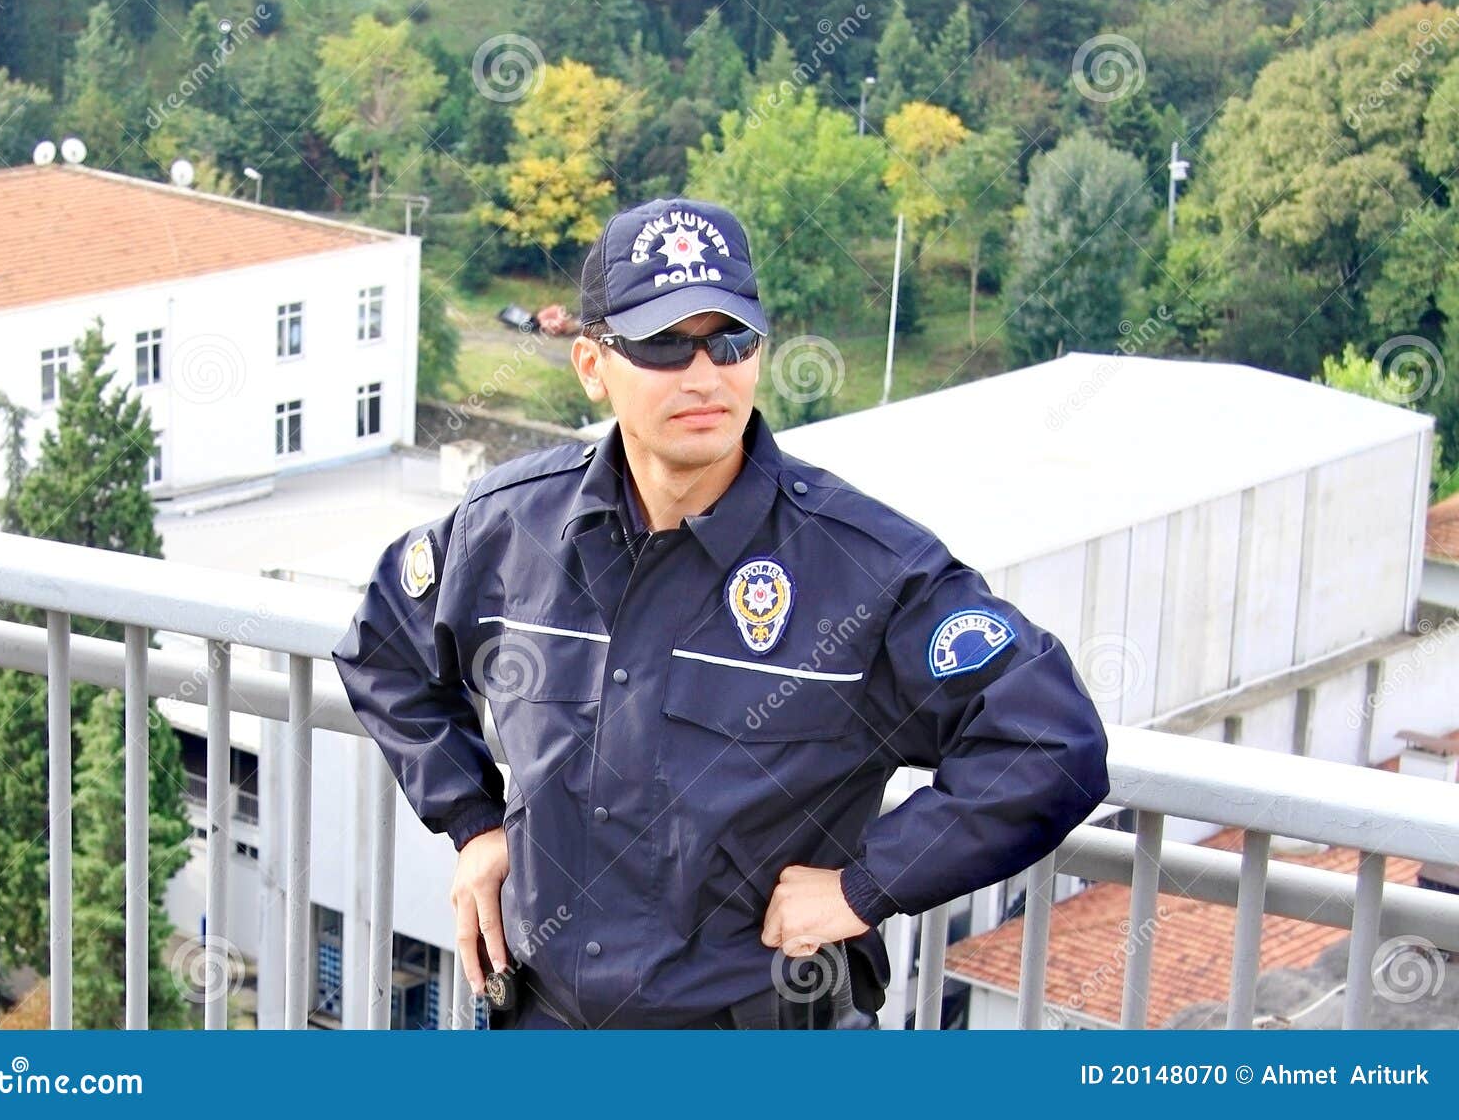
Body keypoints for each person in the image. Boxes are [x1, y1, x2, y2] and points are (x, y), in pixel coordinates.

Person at [331, 196, 1112, 1030]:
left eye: (729, 339)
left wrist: (864, 885)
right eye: (664, 343)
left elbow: (1049, 743)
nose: (704, 374)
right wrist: (475, 822)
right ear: (593, 363)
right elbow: (385, 648)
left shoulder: (861, 567)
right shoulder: (513, 527)